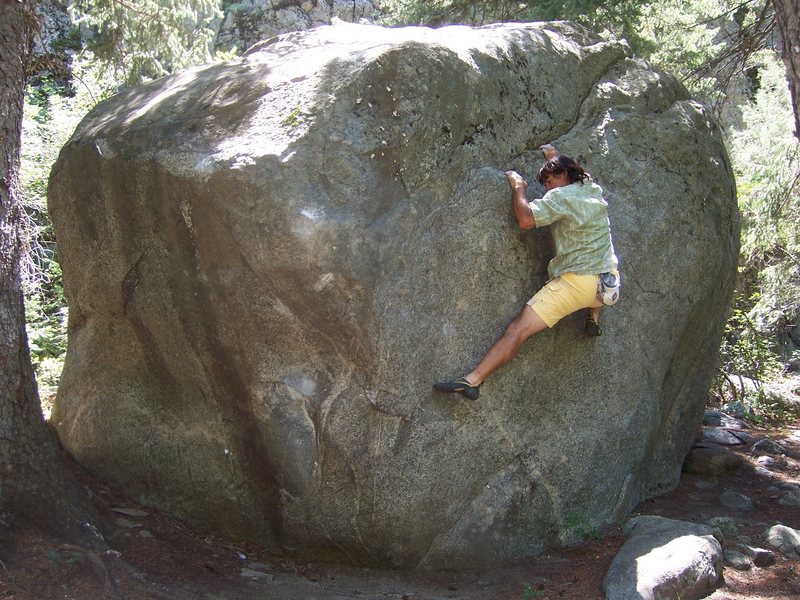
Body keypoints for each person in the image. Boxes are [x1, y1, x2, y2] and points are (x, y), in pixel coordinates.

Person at [433, 146, 619, 401]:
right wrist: (552, 155)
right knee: (603, 260)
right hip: (609, 284)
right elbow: (567, 168)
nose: (547, 188)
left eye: (549, 180)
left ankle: (472, 381)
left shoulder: (561, 197)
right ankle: (593, 318)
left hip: (577, 285)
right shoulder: (591, 188)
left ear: (564, 175)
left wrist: (519, 187)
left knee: (517, 330)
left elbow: (526, 220)